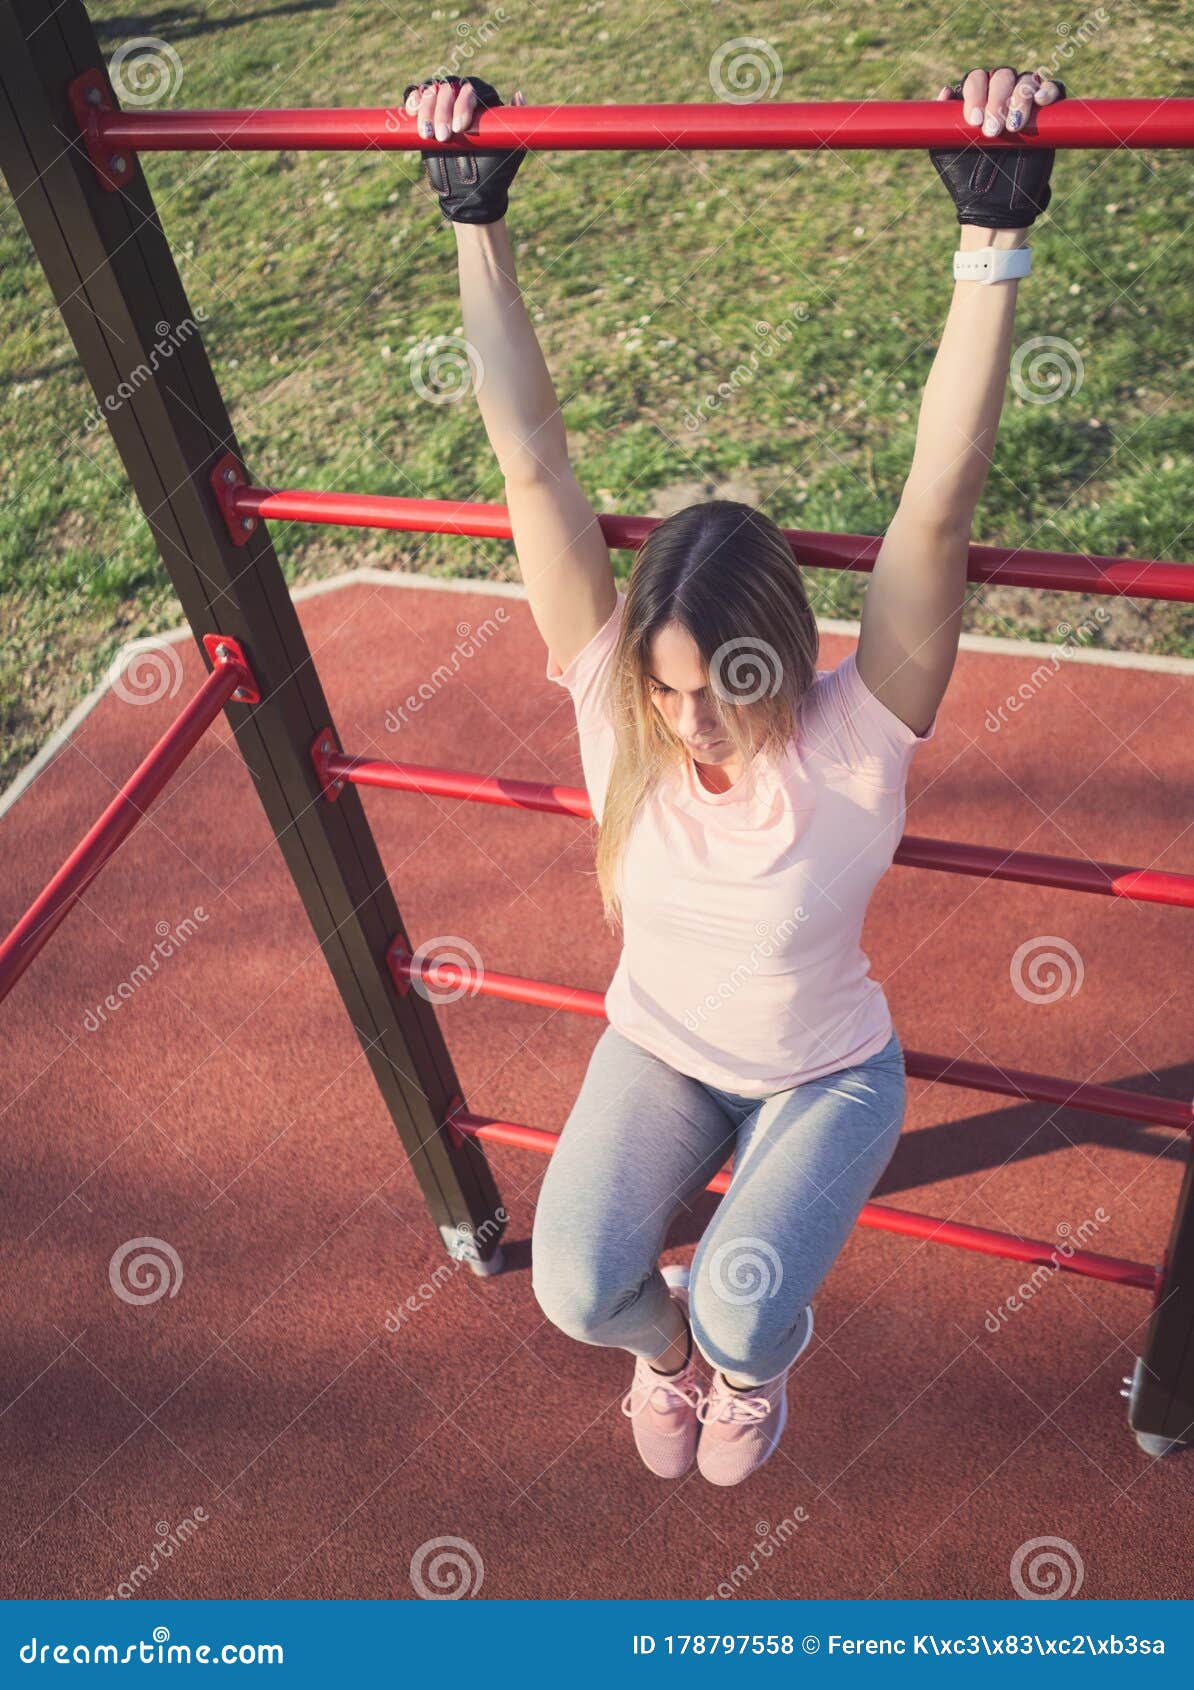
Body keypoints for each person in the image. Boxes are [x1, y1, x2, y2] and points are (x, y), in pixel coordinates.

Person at [404, 63, 1066, 1485]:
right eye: (664, 687)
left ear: (783, 653)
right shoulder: (619, 705)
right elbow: (532, 466)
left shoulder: (856, 731)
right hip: (661, 1047)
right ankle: (673, 1362)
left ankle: (746, 1363)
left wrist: (990, 241)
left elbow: (935, 504)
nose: (688, 722)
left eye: (722, 688)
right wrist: (473, 213)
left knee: (745, 1300)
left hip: (825, 1075)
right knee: (577, 1286)